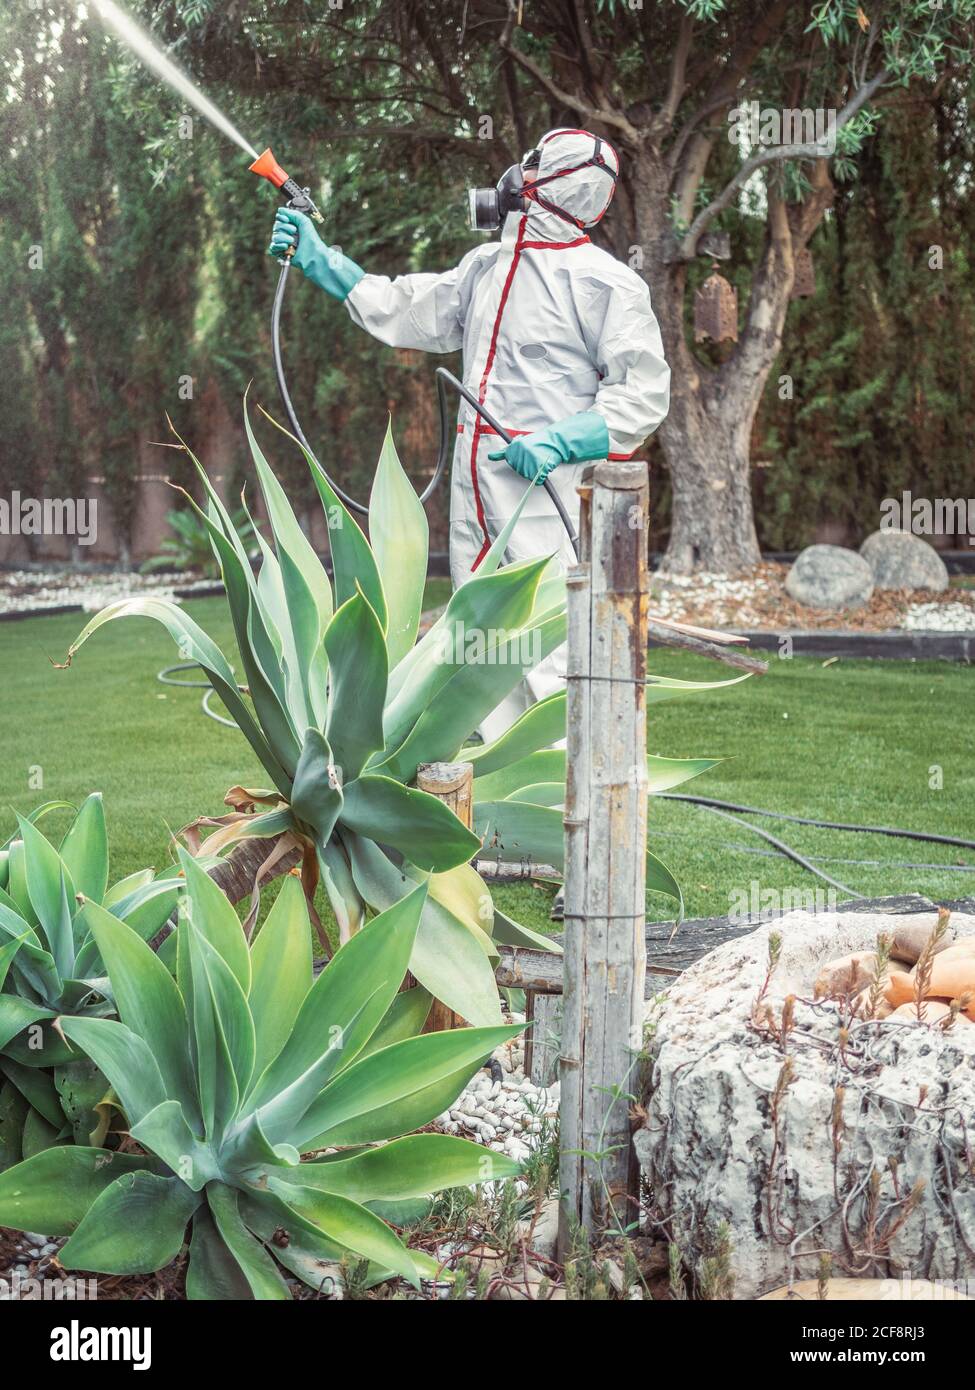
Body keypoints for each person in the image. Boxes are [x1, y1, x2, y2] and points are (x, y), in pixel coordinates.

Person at [269, 127, 670, 742]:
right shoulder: (487, 267)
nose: (518, 171)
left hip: (543, 504)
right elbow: (409, 307)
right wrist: (320, 259)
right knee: (479, 663)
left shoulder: (606, 284)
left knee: (545, 659)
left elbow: (642, 396)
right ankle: (500, 822)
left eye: (532, 162)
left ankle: (568, 818)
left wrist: (560, 442)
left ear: (555, 183)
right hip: (474, 509)